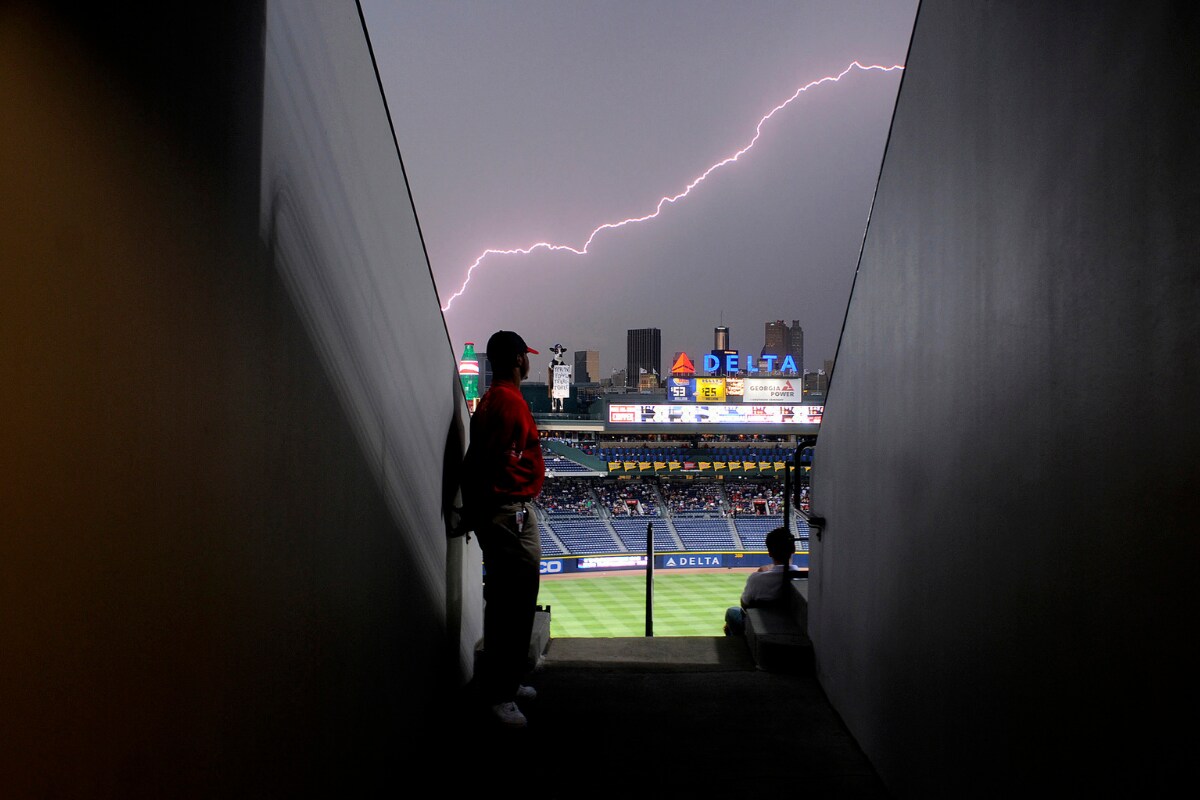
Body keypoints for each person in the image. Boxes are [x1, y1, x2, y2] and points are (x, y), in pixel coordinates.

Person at [461, 330, 545, 729]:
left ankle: (507, 684)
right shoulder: (507, 402)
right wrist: (478, 510)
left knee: (511, 600)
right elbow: (481, 461)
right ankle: (499, 695)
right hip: (508, 511)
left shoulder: (500, 399)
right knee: (513, 602)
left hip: (507, 509)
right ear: (516, 359)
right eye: (525, 356)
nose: (529, 362)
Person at [724, 526, 800, 636]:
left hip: (760, 627)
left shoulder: (756, 578)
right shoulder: (802, 578)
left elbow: (744, 605)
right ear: (793, 549)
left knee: (732, 612)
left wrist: (761, 573)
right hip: (791, 628)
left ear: (769, 552)